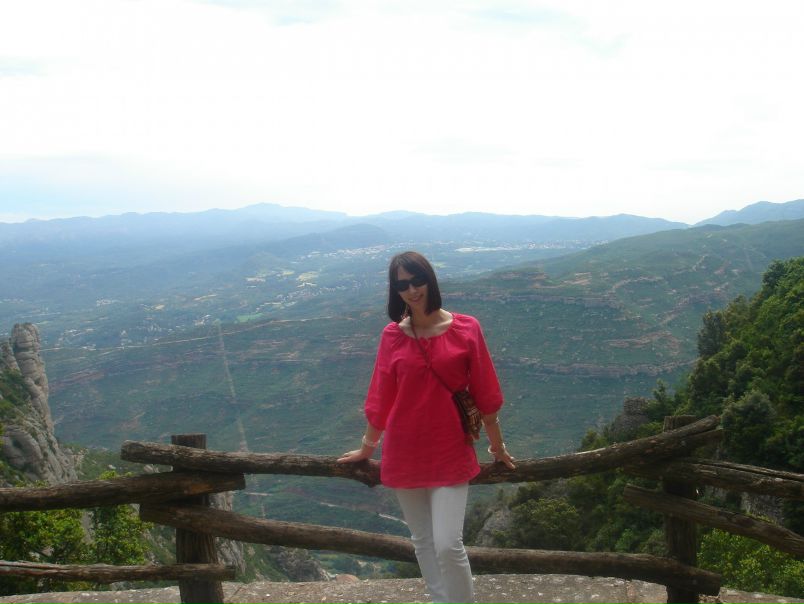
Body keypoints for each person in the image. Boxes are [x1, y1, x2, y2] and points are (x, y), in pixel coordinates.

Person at [338, 251, 515, 604]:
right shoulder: (393, 335)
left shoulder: (467, 328)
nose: (412, 290)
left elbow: (487, 395)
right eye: (402, 284)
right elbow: (381, 398)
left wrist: (497, 448)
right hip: (404, 450)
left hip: (450, 448)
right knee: (423, 541)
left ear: (430, 280)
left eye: (417, 280)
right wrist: (367, 449)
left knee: (448, 544)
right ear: (395, 290)